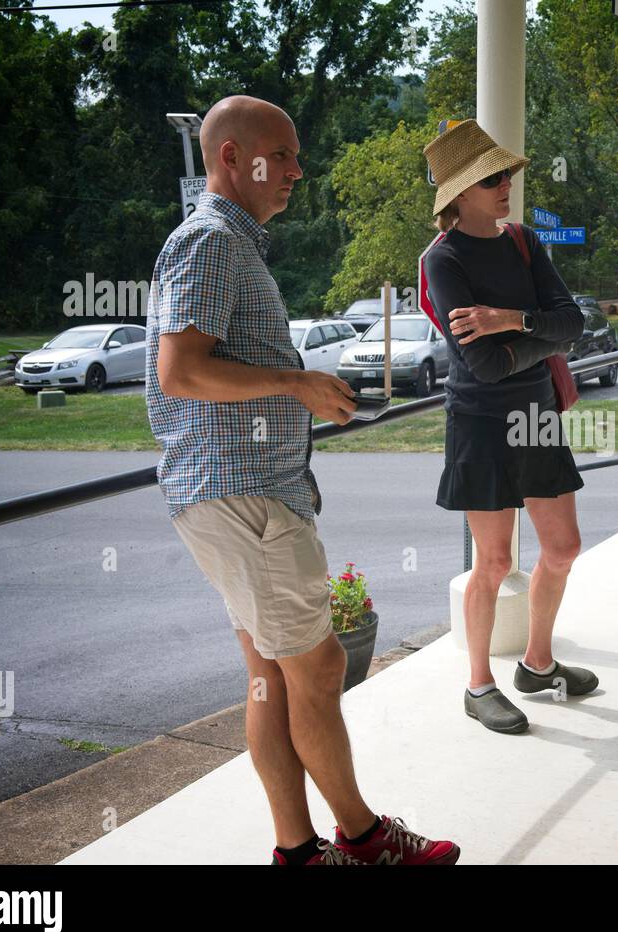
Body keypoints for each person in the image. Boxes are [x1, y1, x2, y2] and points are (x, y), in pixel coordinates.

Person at [146, 94, 458, 864]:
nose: (296, 169)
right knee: (316, 666)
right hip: (240, 492)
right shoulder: (212, 242)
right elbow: (180, 372)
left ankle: (298, 851)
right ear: (231, 157)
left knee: (271, 678)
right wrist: (295, 384)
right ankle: (364, 839)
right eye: (280, 155)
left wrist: (300, 390)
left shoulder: (230, 244)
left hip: (241, 491)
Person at [421, 120, 597, 734]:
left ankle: (538, 663)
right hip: (481, 421)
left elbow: (572, 324)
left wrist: (507, 317)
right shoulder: (441, 261)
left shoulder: (523, 241)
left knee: (563, 548)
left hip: (536, 414)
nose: (507, 187)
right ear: (461, 193)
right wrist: (530, 330)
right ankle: (478, 684)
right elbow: (485, 365)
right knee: (492, 564)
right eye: (493, 179)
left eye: (507, 176)